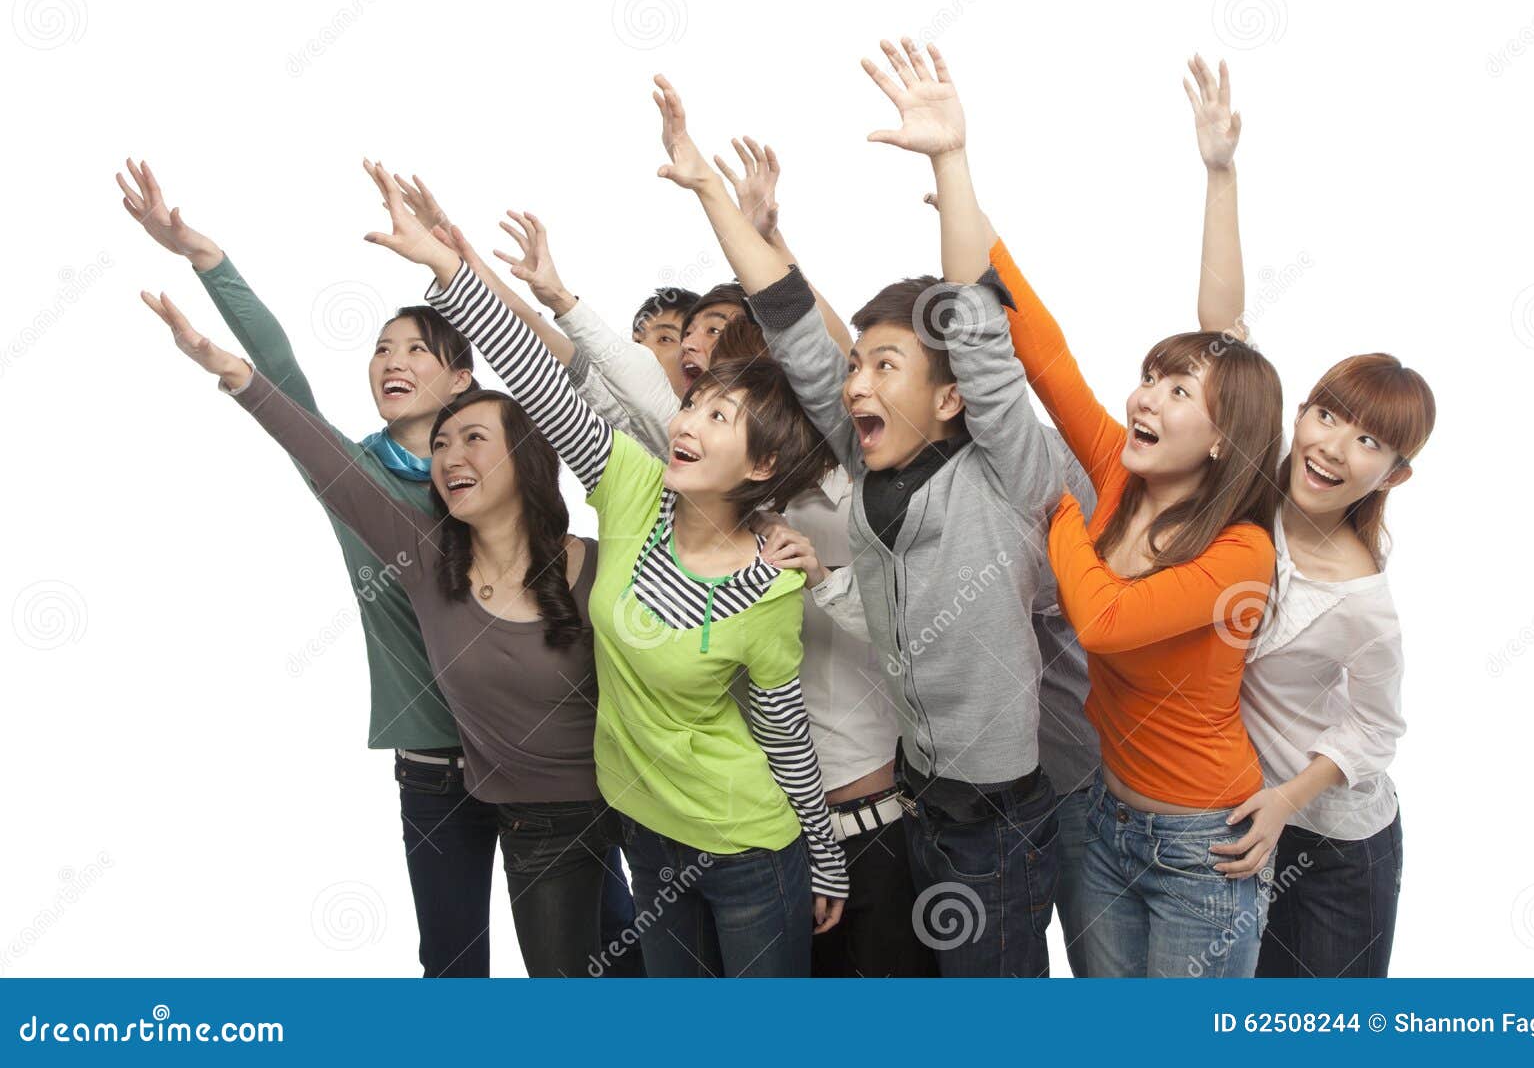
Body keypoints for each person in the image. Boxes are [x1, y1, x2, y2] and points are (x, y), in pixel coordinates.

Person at [359, 161, 849, 977]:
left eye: (719, 415)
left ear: (761, 464)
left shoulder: (772, 579)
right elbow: (542, 382)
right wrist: (449, 268)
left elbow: (783, 730)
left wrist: (825, 856)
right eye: (694, 404)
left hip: (747, 847)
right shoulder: (632, 487)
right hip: (647, 840)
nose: (686, 420)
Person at [655, 59, 1084, 977]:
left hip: (998, 824)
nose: (855, 383)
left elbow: (979, 329)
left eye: (885, 365)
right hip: (916, 804)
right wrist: (709, 193)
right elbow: (789, 324)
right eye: (858, 366)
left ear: (951, 398)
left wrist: (950, 159)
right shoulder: (865, 459)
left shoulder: (1007, 472)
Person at [142, 283, 623, 977]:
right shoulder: (404, 527)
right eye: (381, 349)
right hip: (441, 774)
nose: (394, 360)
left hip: (572, 794)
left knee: (618, 951)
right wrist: (227, 349)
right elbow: (302, 424)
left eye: (417, 349)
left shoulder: (583, 556)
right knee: (457, 965)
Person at [956, 37, 1286, 976]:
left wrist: (1058, 506)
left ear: (1221, 439)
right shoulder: (1117, 470)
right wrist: (958, 177)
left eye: (1178, 392)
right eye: (1150, 376)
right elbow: (1046, 353)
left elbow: (1102, 619)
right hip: (1105, 816)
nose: (1144, 397)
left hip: (1203, 845)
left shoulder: (1240, 553)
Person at [1176, 57, 1434, 977]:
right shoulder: (1255, 487)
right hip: (1239, 815)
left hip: (1334, 845)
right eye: (1328, 414)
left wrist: (1290, 799)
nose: (1334, 446)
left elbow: (1375, 730)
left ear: (1394, 473)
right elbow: (1222, 339)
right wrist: (1221, 173)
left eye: (1369, 441)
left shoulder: (1366, 601)